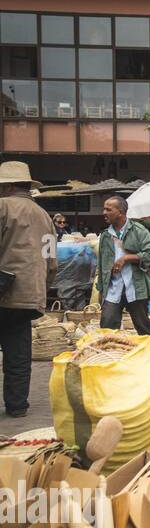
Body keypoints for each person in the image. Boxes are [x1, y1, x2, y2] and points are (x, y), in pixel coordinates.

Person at [0, 162, 57, 417]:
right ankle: (17, 406)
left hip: (3, 292)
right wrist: (41, 287)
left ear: (9, 186)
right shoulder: (45, 216)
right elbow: (51, 260)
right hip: (29, 296)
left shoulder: (3, 207)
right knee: (19, 354)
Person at [97, 195, 150, 338]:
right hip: (113, 287)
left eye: (108, 209)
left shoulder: (138, 230)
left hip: (135, 287)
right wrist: (101, 289)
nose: (104, 213)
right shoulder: (106, 235)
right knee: (107, 327)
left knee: (143, 328)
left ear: (120, 212)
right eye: (104, 209)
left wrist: (126, 258)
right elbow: (102, 264)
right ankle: (110, 357)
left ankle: (147, 356)